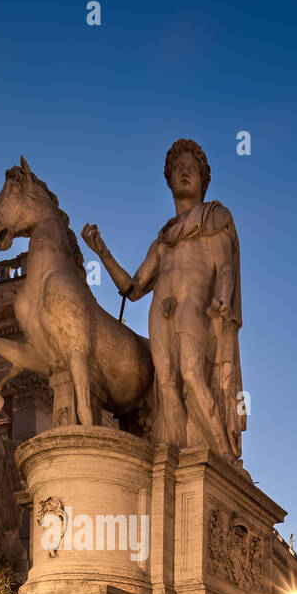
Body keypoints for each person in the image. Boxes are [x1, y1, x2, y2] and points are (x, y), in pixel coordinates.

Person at [82, 138, 244, 461]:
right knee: (166, 385)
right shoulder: (163, 241)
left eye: (192, 169)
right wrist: (102, 252)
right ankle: (172, 457)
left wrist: (223, 297)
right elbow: (134, 287)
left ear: (203, 180)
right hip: (160, 312)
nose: (184, 173)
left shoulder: (214, 218)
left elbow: (225, 267)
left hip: (195, 308)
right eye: (178, 169)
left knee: (191, 374)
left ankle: (224, 455)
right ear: (168, 180)